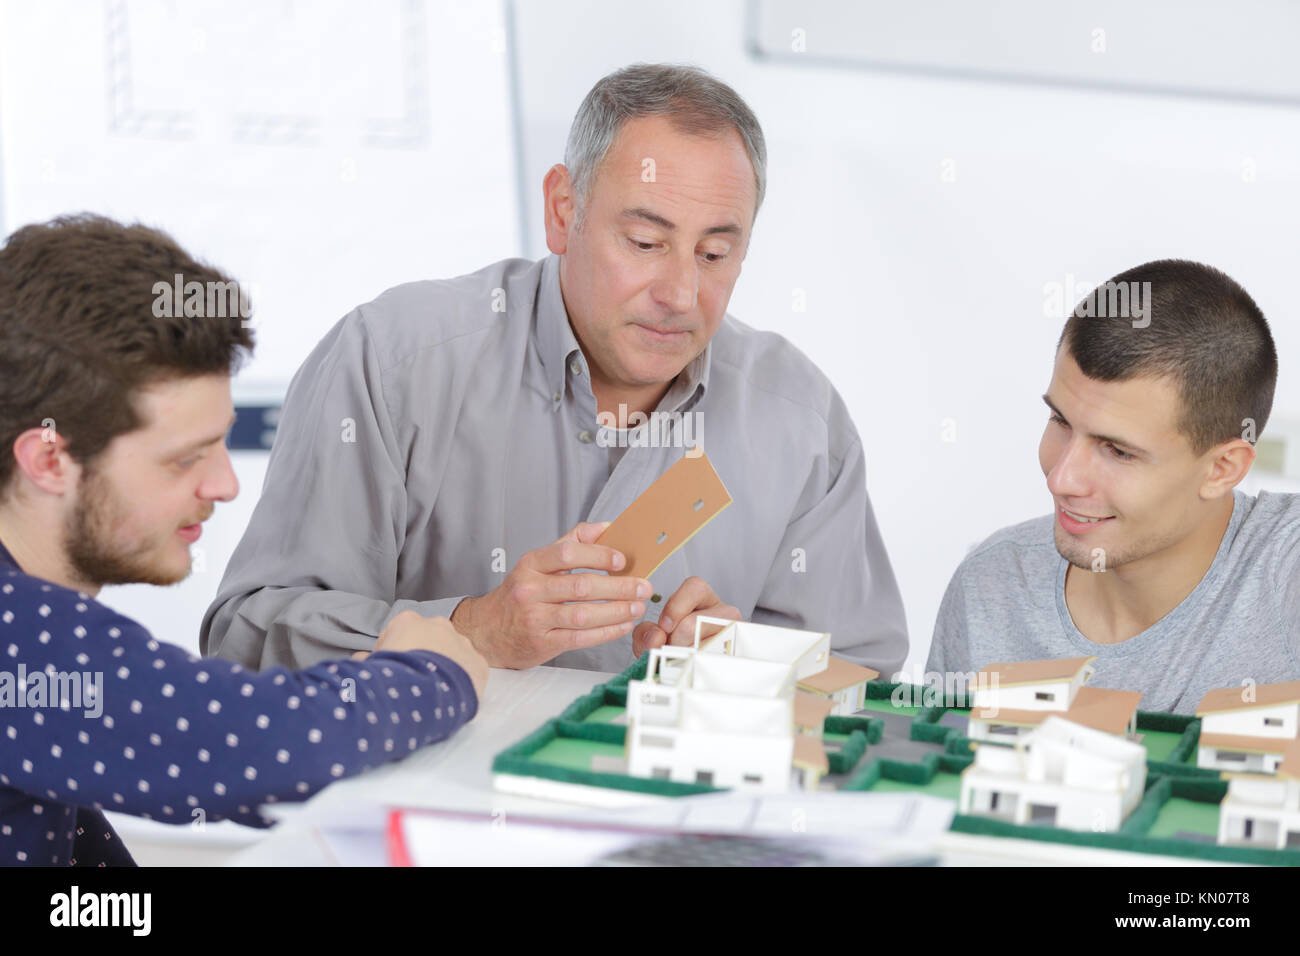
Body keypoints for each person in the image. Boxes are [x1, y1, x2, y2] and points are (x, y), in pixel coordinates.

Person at [202, 63, 908, 675]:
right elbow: (243, 640)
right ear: (563, 211)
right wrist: (473, 631)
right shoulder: (391, 363)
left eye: (716, 255)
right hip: (429, 819)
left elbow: (863, 687)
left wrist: (745, 668)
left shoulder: (802, 422)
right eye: (644, 242)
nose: (681, 295)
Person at [0, 214, 488, 866]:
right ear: (50, 459)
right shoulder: (20, 639)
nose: (226, 485)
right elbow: (249, 748)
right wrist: (430, 674)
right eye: (184, 459)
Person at [926, 259, 1300, 713]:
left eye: (1118, 451)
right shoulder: (990, 588)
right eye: (1060, 421)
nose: (1061, 478)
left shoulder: (1286, 575)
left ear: (1222, 468)